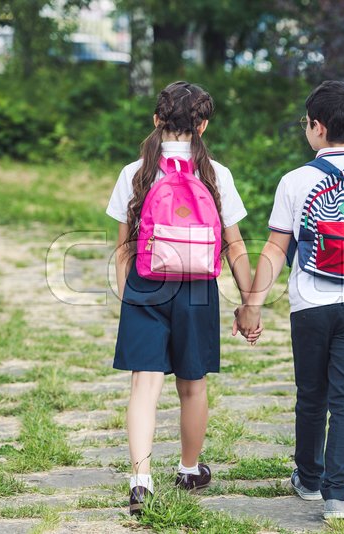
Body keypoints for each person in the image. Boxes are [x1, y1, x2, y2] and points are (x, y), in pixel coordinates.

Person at [233, 80, 344, 520]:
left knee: (311, 394)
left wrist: (252, 304)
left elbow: (276, 249)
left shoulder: (295, 181)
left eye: (306, 123)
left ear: (317, 127)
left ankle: (310, 480)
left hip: (310, 304)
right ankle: (337, 498)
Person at [106, 81, 260, 516]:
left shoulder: (134, 172)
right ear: (203, 125)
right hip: (197, 290)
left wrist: (128, 295)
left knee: (145, 385)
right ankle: (189, 470)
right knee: (193, 385)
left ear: (157, 119)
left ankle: (141, 481)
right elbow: (235, 246)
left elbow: (123, 247)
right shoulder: (217, 175)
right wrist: (249, 303)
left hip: (146, 283)